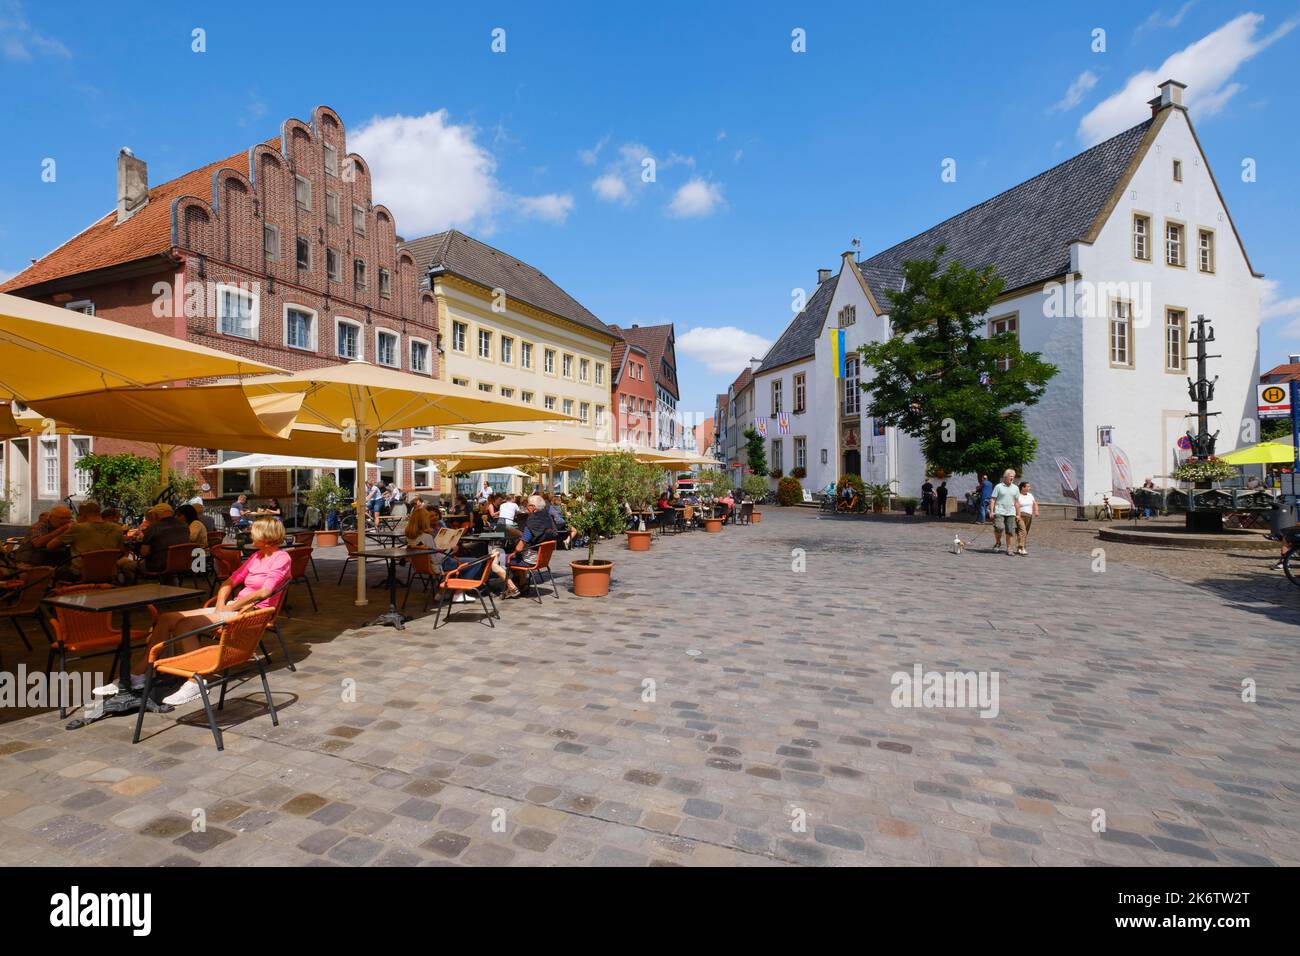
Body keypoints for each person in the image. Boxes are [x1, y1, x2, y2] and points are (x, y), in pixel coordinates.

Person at [99, 517, 292, 706]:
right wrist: (221, 604)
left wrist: (232, 606)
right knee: (166, 618)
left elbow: (265, 591)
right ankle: (138, 675)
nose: (249, 534)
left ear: (266, 536)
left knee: (186, 624)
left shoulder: (281, 558)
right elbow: (229, 581)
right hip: (233, 607)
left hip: (253, 613)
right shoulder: (256, 556)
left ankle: (195, 681)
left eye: (254, 532)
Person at [121, 503, 190, 581]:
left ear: (156, 515)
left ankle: (140, 589)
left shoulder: (154, 527)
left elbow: (144, 553)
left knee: (127, 567)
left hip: (159, 566)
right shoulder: (184, 526)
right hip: (182, 563)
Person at [59, 501, 125, 579]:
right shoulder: (117, 528)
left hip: (81, 575)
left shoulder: (78, 528)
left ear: (83, 515)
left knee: (59, 570)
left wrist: (64, 528)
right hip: (109, 573)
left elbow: (50, 546)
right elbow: (120, 551)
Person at [989, 469, 1020, 555]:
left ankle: (1009, 548)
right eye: (1010, 476)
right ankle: (998, 542)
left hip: (1011, 512)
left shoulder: (1016, 488)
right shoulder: (998, 486)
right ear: (1005, 477)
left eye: (1013, 477)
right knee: (999, 527)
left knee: (1010, 531)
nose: (1012, 478)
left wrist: (1018, 514)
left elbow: (1017, 502)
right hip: (999, 511)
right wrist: (991, 511)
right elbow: (993, 499)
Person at [1015, 480, 1039, 555]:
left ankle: (1019, 548)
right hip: (1020, 515)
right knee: (1023, 531)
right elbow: (1016, 505)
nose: (1030, 488)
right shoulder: (1017, 495)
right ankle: (1022, 547)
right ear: (1022, 488)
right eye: (1028, 486)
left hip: (1029, 516)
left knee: (1023, 532)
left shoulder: (1030, 495)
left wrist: (1036, 511)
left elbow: (1035, 503)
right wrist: (1017, 515)